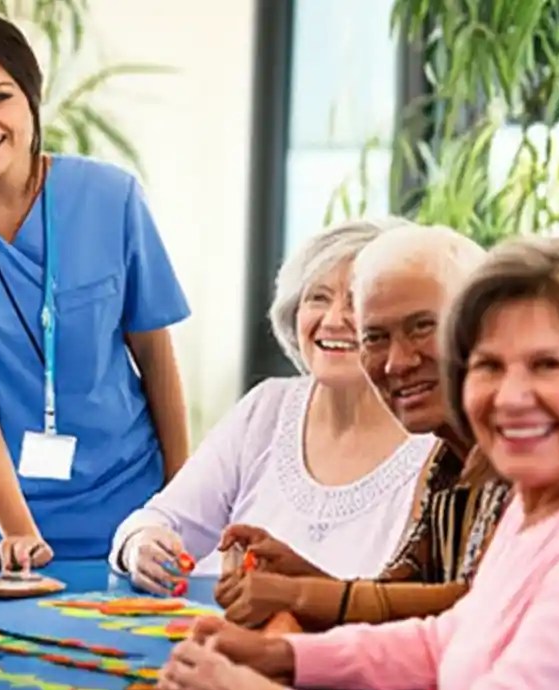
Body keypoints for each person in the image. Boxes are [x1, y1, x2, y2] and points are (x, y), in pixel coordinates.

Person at [160, 236, 559, 690]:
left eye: (547, 365)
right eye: (488, 365)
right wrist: (285, 655)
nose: (509, 396)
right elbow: (448, 639)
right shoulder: (546, 499)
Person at [0, 11, 191, 567]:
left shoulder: (110, 198)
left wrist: (180, 502)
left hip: (127, 508)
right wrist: (18, 532)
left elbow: (155, 356)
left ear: (31, 102)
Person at [110, 218, 438, 595]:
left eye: (357, 301)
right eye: (318, 297)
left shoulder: (436, 443)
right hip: (209, 635)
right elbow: (162, 518)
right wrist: (142, 544)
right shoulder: (268, 406)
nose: (332, 320)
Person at [214, 224, 513, 629]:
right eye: (374, 337)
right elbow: (402, 591)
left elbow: (479, 610)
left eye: (422, 327)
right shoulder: (448, 460)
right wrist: (297, 573)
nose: (396, 362)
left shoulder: (521, 456)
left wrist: (300, 595)